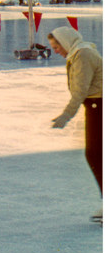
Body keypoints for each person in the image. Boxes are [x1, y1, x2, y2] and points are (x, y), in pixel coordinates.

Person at [48, 25, 103, 221]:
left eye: (56, 47)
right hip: (96, 106)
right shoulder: (79, 52)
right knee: (96, 154)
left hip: (99, 106)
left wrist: (65, 116)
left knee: (96, 154)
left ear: (64, 42)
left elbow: (80, 91)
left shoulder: (82, 55)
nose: (56, 51)